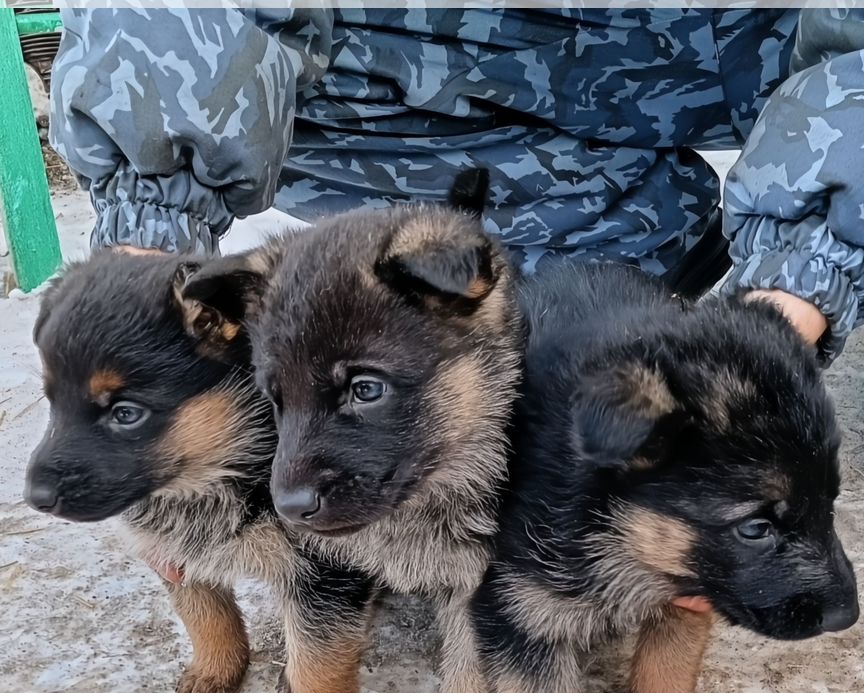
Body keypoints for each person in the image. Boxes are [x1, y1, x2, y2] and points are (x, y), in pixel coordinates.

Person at [50, 8, 863, 362]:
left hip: (754, 44)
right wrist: (146, 298)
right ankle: (604, 238)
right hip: (435, 73)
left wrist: (799, 290)